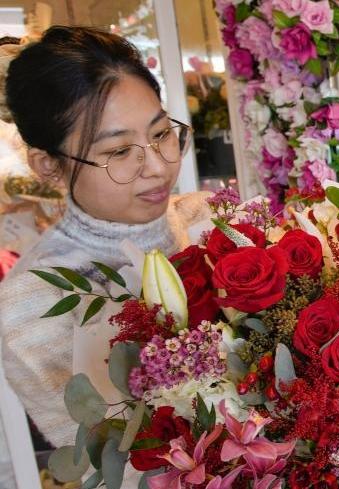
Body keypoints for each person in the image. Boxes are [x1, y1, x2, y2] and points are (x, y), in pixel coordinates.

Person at [0, 25, 210, 475]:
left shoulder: (211, 222)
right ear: (47, 165)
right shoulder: (33, 305)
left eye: (160, 134)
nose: (156, 167)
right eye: (118, 152)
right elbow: (118, 467)